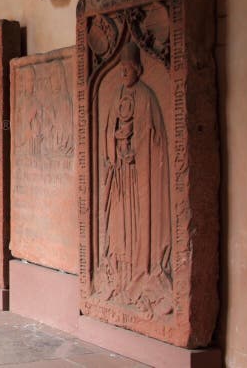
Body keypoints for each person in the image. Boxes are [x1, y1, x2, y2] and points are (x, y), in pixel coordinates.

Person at [99, 42, 172, 316]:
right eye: (122, 69)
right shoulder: (117, 97)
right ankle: (122, 275)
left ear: (139, 70)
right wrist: (117, 148)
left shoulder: (147, 97)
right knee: (120, 226)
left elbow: (156, 141)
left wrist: (135, 151)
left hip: (141, 177)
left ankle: (142, 270)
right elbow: (108, 131)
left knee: (139, 223)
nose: (125, 73)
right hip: (121, 177)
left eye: (129, 68)